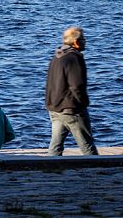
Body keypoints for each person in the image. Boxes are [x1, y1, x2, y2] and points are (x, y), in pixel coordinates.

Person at [45, 26, 98, 156]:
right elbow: (76, 85)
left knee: (55, 146)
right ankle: (98, 170)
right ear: (76, 42)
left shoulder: (57, 57)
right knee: (87, 145)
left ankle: (49, 170)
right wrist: (83, 103)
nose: (85, 42)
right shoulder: (74, 58)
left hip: (55, 107)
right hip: (71, 108)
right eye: (83, 39)